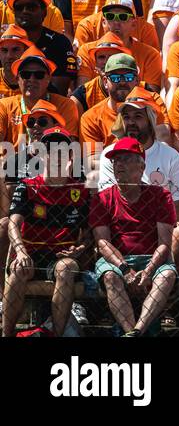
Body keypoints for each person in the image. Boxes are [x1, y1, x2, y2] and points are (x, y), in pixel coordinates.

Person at [1, 123, 89, 338]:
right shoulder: (28, 186)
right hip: (30, 252)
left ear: (70, 156)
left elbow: (91, 232)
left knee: (67, 268)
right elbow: (13, 222)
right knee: (19, 267)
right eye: (50, 149)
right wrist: (20, 250)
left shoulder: (80, 190)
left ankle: (56, 335)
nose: (56, 154)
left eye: (62, 149)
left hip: (60, 256)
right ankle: (7, 333)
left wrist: (81, 247)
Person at [89, 137, 178, 337]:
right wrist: (125, 269)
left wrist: (148, 271)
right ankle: (131, 332)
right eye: (116, 160)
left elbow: (165, 244)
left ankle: (138, 330)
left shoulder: (160, 195)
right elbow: (102, 243)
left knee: (167, 275)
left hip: (151, 259)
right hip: (117, 261)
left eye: (127, 159)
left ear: (141, 166)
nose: (119, 164)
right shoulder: (102, 198)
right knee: (111, 276)